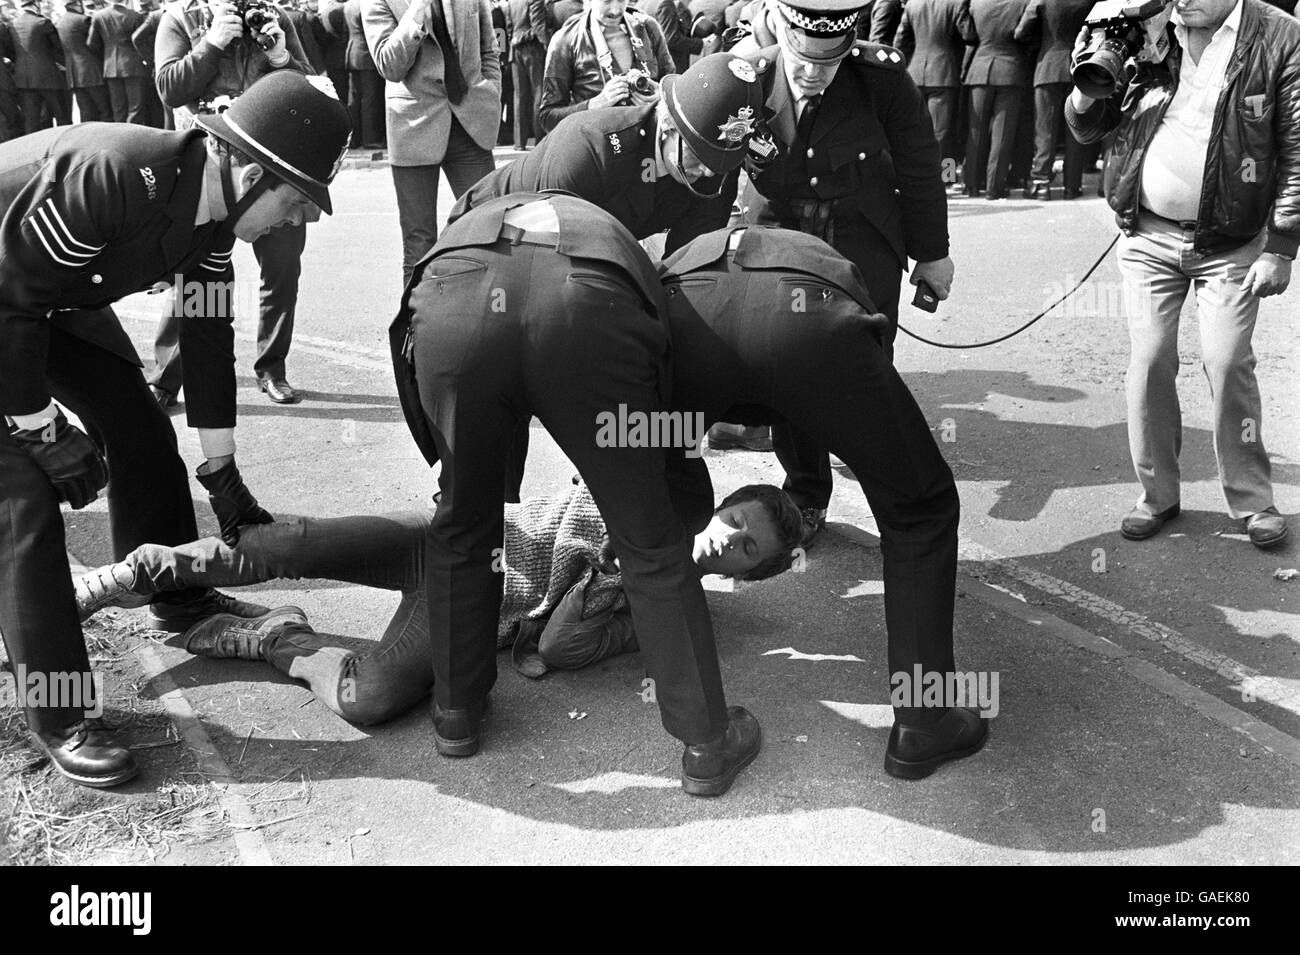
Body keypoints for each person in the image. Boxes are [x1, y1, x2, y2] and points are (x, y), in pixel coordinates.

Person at [0, 71, 353, 789]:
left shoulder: (212, 225)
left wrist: (221, 472)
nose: (297, 221)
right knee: (22, 503)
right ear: (253, 173)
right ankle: (61, 713)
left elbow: (206, 337)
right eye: (296, 202)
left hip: (46, 299)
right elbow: (9, 306)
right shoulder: (112, 177)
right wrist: (38, 428)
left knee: (139, 426)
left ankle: (175, 594)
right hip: (7, 299)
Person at [395, 190, 764, 798]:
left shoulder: (494, 205)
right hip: (585, 306)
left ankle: (455, 712)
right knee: (648, 540)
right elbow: (663, 372)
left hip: (454, 294)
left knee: (462, 518)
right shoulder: (613, 226)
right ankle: (705, 744)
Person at [659, 222, 986, 779]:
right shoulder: (840, 281)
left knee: (653, 512)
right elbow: (841, 374)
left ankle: (704, 747)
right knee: (918, 511)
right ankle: (922, 723)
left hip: (689, 316)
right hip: (810, 326)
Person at [72, 482, 801, 724]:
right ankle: (137, 574)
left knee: (374, 695)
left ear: (747, 575)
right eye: (735, 523)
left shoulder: (668, 612)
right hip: (460, 536)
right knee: (291, 544)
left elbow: (559, 646)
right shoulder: (649, 499)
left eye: (746, 551)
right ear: (723, 506)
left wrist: (622, 580)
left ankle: (276, 639)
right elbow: (574, 494)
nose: (727, 542)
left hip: (466, 604)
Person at [447, 50, 763, 501]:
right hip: (493, 249)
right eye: (697, 159)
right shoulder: (590, 147)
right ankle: (475, 509)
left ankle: (619, 497)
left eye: (720, 163)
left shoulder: (713, 161)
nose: (707, 173)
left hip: (593, 249)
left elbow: (684, 280)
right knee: (502, 395)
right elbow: (555, 283)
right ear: (668, 126)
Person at [1066, 0, 1298, 548]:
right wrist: (1088, 82)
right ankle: (1157, 496)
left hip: (1233, 240)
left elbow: (1296, 146)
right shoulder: (1143, 28)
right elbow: (1086, 129)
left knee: (1227, 360)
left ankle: (1252, 499)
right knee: (1148, 362)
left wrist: (1282, 246)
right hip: (1147, 234)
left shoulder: (1280, 37)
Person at [728, 0, 954, 543]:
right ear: (779, 27)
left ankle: (892, 494)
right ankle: (806, 491)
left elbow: (920, 168)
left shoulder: (882, 80)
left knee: (866, 370)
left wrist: (932, 254)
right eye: (801, 59)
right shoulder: (744, 79)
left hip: (860, 243)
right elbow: (709, 170)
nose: (812, 74)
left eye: (827, 64)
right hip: (778, 241)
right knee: (785, 367)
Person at [148, 0, 315, 406]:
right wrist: (211, 43)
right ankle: (169, 377)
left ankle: (272, 368)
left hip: (272, 168)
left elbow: (310, 88)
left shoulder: (274, 15)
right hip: (207, 170)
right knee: (198, 273)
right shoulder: (180, 17)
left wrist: (281, 56)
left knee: (281, 270)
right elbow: (170, 89)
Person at [363, 0, 502, 283]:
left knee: (491, 228)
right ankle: (413, 326)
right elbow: (389, 66)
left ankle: (485, 320)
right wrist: (415, 12)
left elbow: (489, 47)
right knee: (419, 245)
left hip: (470, 122)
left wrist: (491, 90)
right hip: (414, 126)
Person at [537, 0, 673, 134]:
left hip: (649, 144)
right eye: (606, 1)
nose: (615, 10)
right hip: (598, 147)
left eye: (621, 0)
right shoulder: (565, 40)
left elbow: (674, 87)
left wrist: (663, 95)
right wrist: (593, 105)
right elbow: (548, 118)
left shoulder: (648, 28)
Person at [1013, 0, 1090, 200]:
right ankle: (1072, 186)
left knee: (1044, 130)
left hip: (1047, 66)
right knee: (1075, 127)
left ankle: (1041, 184)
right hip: (1078, 67)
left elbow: (1021, 33)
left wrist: (1039, 42)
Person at [894, 0, 972, 174]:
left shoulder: (912, 5)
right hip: (943, 73)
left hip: (915, 72)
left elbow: (900, 40)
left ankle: (914, 172)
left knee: (913, 129)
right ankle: (945, 176)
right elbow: (969, 35)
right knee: (942, 131)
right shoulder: (956, 4)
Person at [962, 0, 1030, 199]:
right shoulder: (1022, 4)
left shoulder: (976, 4)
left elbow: (969, 36)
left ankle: (971, 184)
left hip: (979, 69)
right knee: (1002, 134)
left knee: (976, 132)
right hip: (1010, 69)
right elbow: (1026, 36)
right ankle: (994, 187)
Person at [6, 0, 68, 133]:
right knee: (61, 115)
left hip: (24, 79)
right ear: (35, 5)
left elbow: (10, 50)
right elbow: (58, 47)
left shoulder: (13, 24)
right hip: (47, 76)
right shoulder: (43, 22)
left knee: (31, 120)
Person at [89, 0, 150, 124]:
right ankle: (132, 138)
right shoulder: (135, 15)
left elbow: (91, 43)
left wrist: (106, 55)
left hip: (110, 66)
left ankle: (120, 138)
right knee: (136, 107)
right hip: (133, 65)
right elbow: (141, 41)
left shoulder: (99, 16)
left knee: (118, 109)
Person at [57, 0, 111, 123]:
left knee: (86, 112)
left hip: (74, 75)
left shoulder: (60, 23)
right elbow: (96, 44)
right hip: (91, 71)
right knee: (104, 110)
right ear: (77, 4)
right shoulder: (83, 20)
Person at [509, 0, 552, 147]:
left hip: (515, 51)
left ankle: (519, 142)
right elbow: (538, 24)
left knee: (519, 96)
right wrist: (549, 45)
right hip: (533, 49)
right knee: (539, 93)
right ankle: (539, 140)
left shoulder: (512, 3)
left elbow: (510, 28)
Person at [641, 0, 721, 73]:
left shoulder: (643, 3)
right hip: (668, 64)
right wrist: (702, 43)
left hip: (649, 63)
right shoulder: (665, 4)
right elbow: (671, 40)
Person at [345, 0, 385, 146]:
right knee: (370, 98)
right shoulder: (367, 4)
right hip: (366, 55)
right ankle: (371, 139)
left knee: (355, 98)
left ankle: (354, 139)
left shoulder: (349, 5)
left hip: (352, 53)